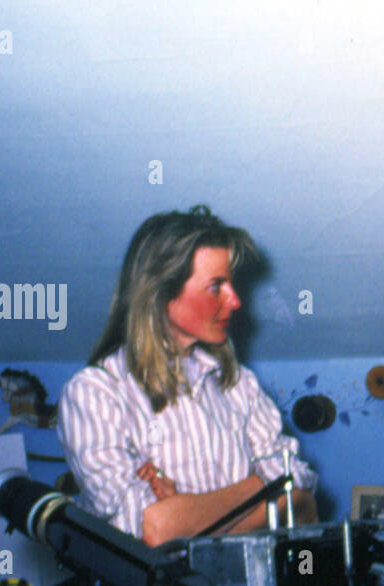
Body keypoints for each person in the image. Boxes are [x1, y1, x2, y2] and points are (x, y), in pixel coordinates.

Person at [58, 205, 316, 546]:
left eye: (232, 284)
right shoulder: (94, 394)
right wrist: (259, 487)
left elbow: (300, 489)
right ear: (161, 293)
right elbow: (148, 532)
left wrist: (184, 509)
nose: (235, 300)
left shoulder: (239, 385)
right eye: (216, 287)